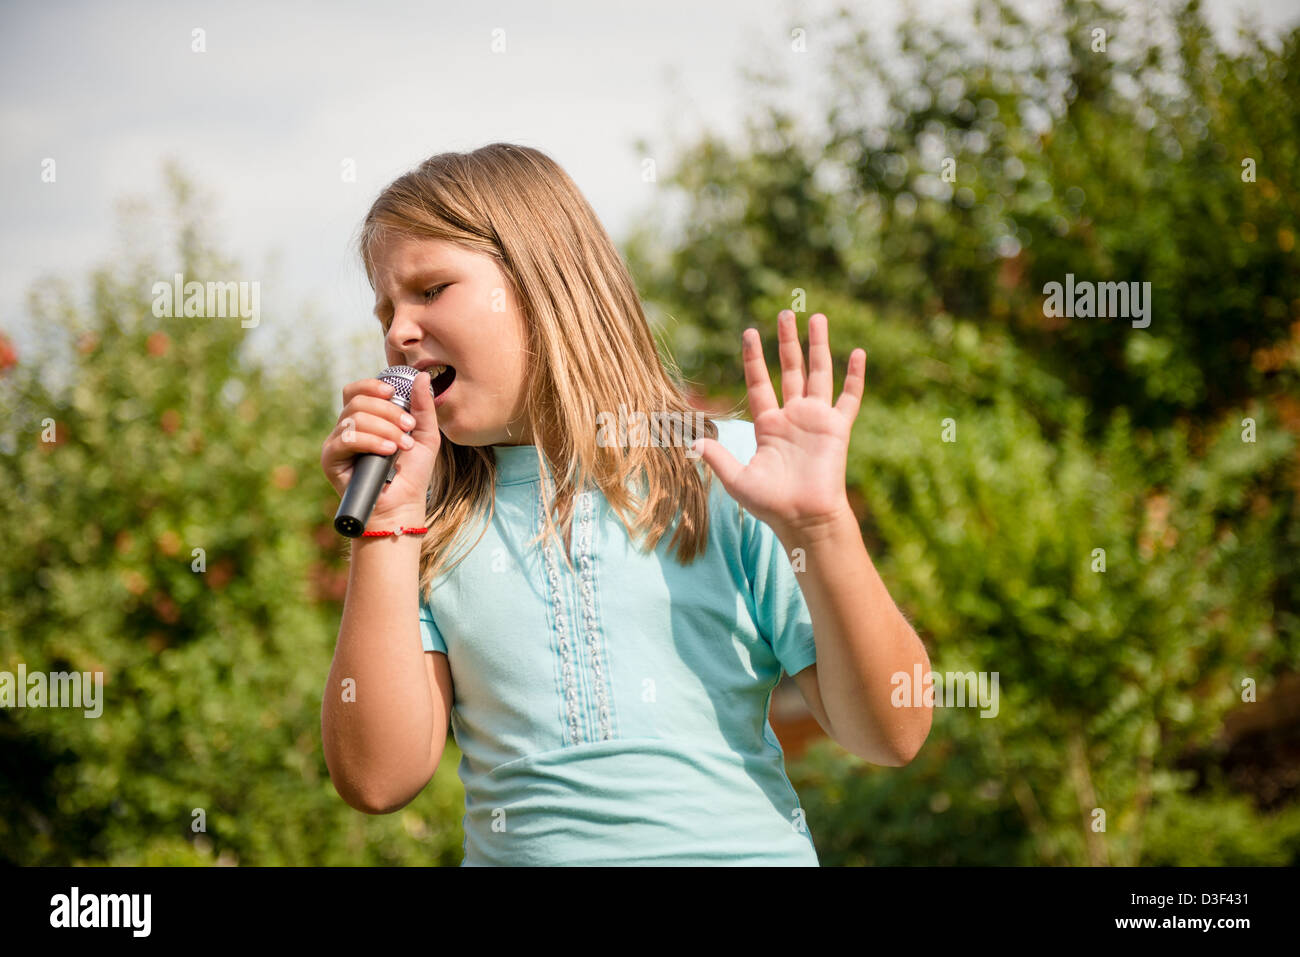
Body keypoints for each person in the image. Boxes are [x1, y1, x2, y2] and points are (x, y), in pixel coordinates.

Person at [319, 143, 932, 865]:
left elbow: (892, 732)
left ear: (542, 284)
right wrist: (386, 528)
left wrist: (822, 529)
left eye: (429, 290)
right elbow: (376, 779)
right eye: (386, 308)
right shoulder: (425, 522)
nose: (398, 330)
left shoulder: (730, 472)